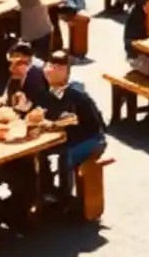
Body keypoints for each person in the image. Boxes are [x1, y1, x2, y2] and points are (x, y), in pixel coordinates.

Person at [40, 51, 107, 200]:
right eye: (50, 65)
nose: (51, 70)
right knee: (39, 152)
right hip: (68, 135)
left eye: (58, 67)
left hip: (91, 138)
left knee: (65, 156)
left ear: (66, 72)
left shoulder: (75, 94)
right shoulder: (50, 91)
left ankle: (65, 198)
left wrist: (52, 124)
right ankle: (46, 189)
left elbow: (71, 119)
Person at [0, 42, 50, 114]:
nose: (11, 68)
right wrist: (1, 101)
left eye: (18, 63)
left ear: (28, 60)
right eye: (11, 63)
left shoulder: (35, 74)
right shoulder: (16, 75)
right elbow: (7, 94)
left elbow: (34, 106)